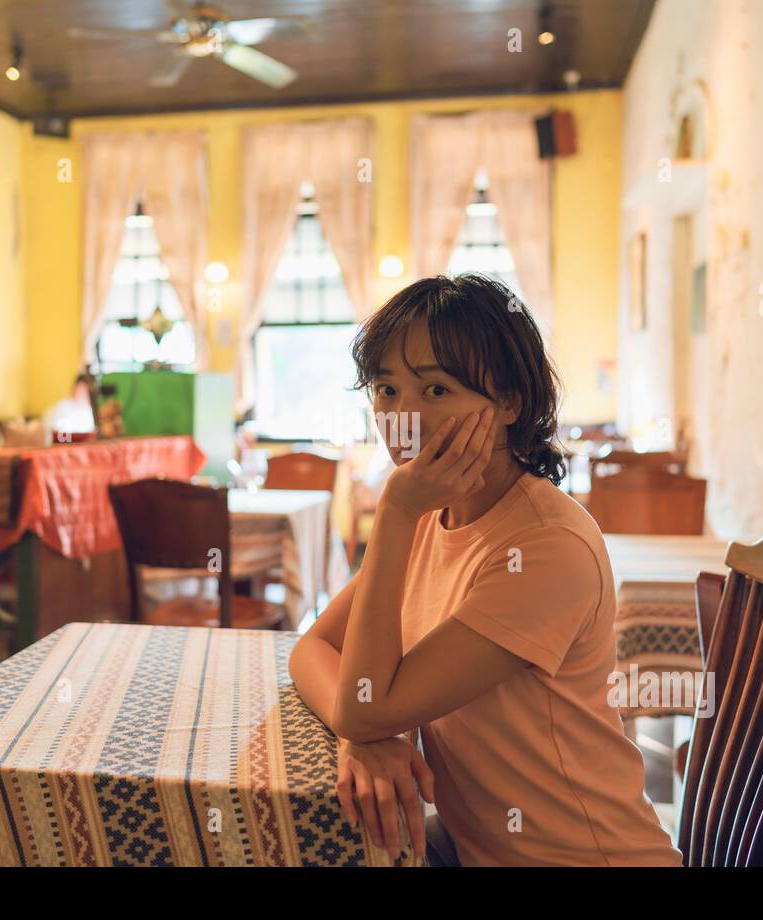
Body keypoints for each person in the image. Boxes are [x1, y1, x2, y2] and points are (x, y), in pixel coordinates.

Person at [288, 274, 683, 867]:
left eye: (437, 390)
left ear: (509, 404)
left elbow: (364, 701)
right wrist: (364, 735)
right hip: (475, 845)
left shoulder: (546, 545)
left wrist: (366, 720)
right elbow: (314, 647)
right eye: (386, 389)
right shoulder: (432, 513)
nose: (402, 417)